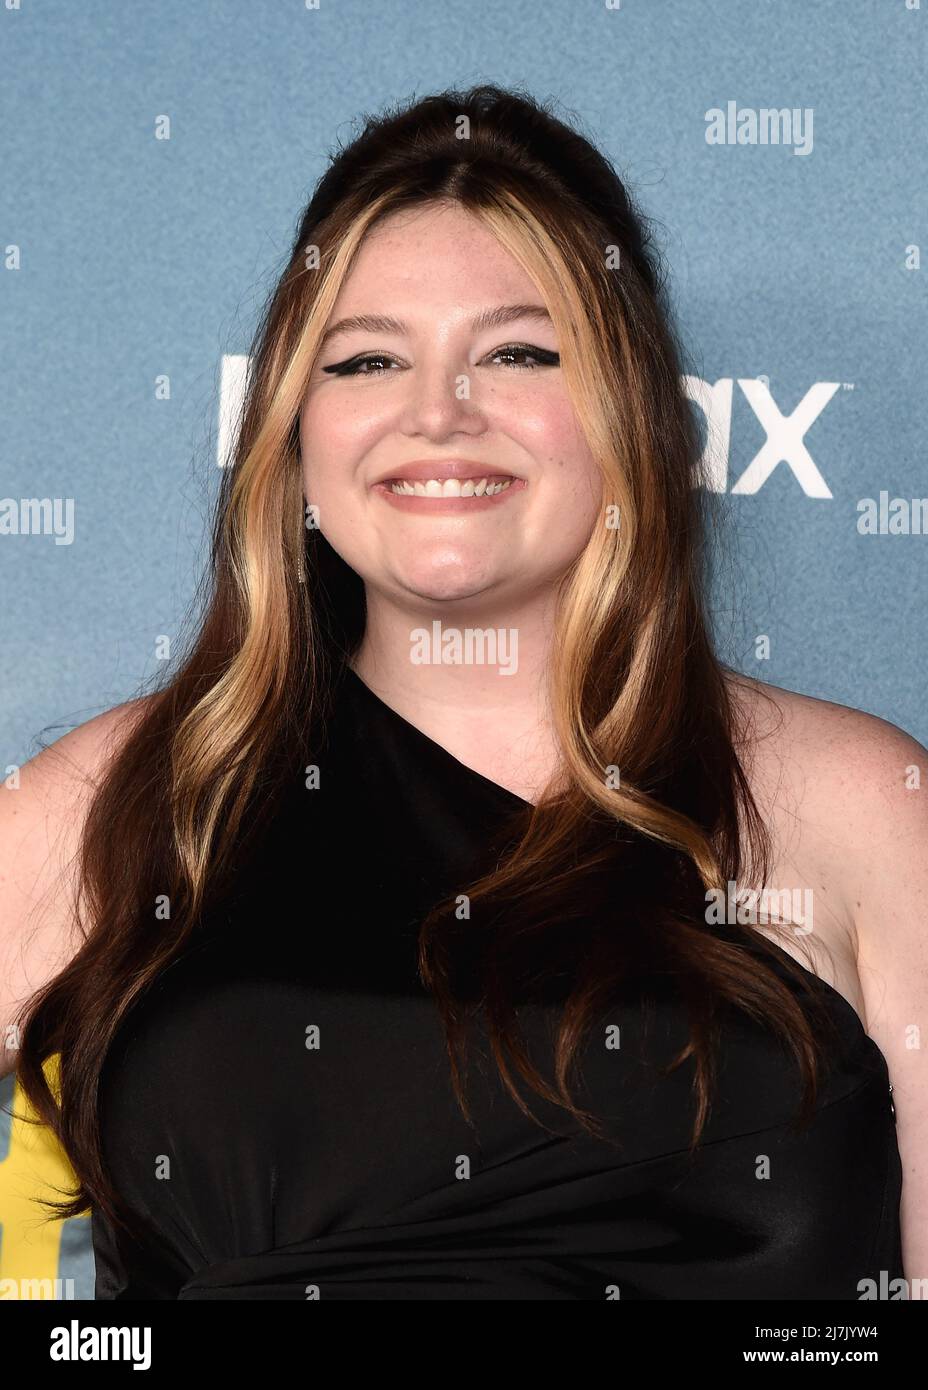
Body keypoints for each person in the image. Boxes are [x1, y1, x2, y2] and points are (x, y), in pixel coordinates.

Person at [2, 84, 925, 1300]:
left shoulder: (860, 803)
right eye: (369, 357)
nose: (439, 412)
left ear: (633, 415)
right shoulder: (98, 808)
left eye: (519, 351)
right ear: (292, 423)